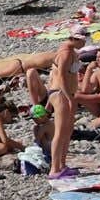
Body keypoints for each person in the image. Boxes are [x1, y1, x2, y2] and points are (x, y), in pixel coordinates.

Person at [28, 35, 82, 178]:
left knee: (67, 131)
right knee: (60, 132)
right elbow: (62, 77)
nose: (84, 42)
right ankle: (55, 169)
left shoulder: (69, 53)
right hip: (61, 94)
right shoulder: (64, 55)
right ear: (74, 39)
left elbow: (54, 77)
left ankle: (62, 165)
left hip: (62, 93)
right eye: (82, 39)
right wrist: (69, 98)